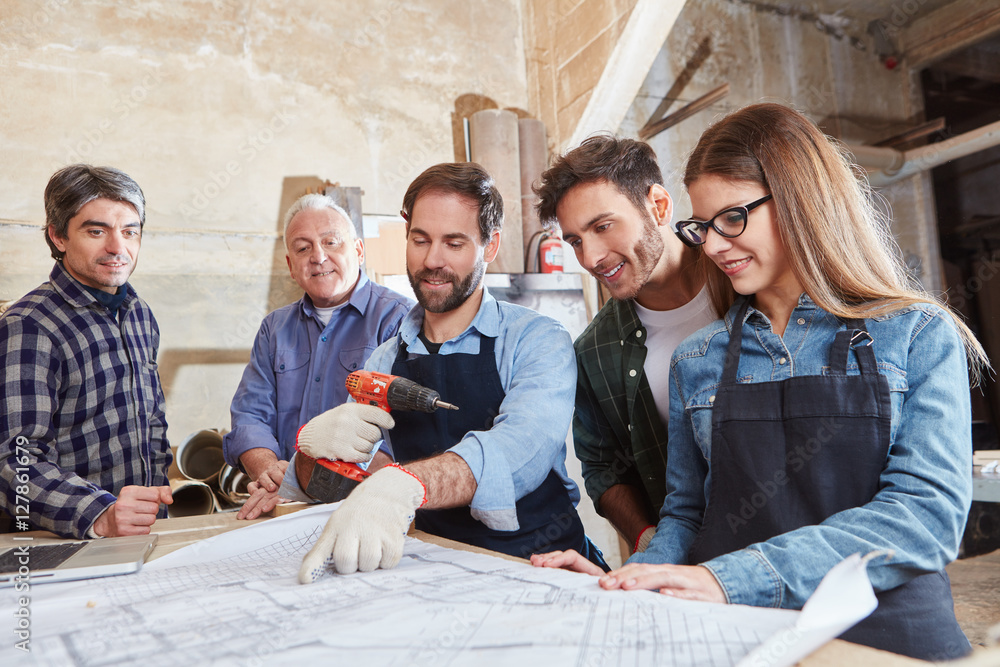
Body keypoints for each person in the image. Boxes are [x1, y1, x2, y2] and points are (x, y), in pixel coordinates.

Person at [532, 103, 988, 661]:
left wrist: (730, 579)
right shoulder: (698, 359)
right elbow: (686, 514)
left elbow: (926, 517)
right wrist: (636, 578)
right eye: (704, 227)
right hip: (743, 640)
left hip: (888, 641)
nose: (715, 245)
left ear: (799, 198)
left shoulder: (915, 333)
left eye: (733, 218)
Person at [289, 162, 604, 581]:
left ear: (489, 246)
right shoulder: (384, 361)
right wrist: (308, 455)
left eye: (454, 243)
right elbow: (347, 477)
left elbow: (518, 451)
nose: (431, 260)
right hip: (437, 566)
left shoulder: (537, 340)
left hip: (542, 564)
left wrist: (403, 485)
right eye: (420, 240)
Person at [533, 136, 716, 556]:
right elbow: (602, 470)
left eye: (603, 226)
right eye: (575, 240)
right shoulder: (594, 350)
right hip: (685, 566)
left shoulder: (744, 282)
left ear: (659, 206)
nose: (591, 257)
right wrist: (647, 540)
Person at [0, 164, 173, 539]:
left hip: (143, 531)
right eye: (96, 231)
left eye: (130, 232)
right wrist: (100, 513)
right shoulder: (29, 326)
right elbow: (15, 462)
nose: (118, 248)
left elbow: (152, 424)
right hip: (70, 539)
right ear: (58, 236)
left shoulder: (139, 314)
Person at [224, 194, 413, 520]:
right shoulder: (274, 328)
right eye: (303, 248)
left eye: (331, 242)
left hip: (366, 506)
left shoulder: (399, 319)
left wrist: (317, 482)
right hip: (283, 505)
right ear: (290, 266)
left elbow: (403, 432)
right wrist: (270, 474)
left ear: (357, 250)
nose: (318, 256)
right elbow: (250, 418)